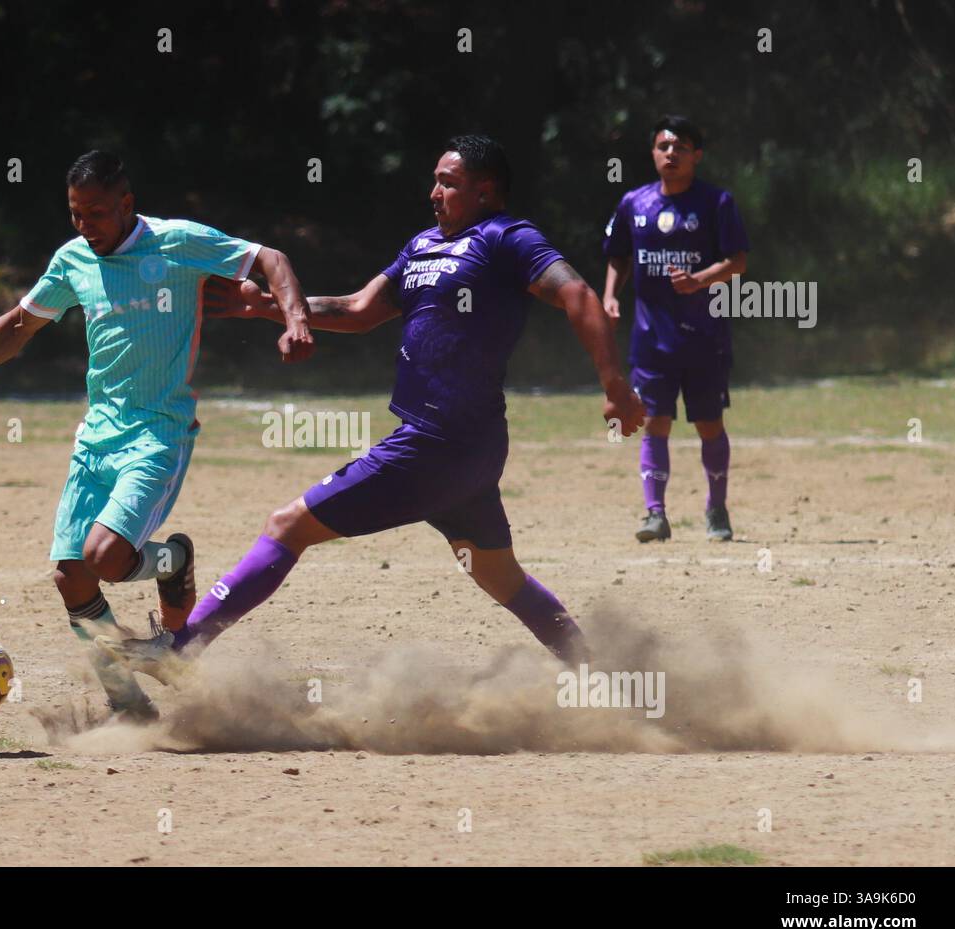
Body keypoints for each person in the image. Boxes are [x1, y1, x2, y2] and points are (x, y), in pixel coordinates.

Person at [114, 134, 646, 688]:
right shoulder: (421, 247)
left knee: (288, 525)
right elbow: (357, 310)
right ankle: (597, 677)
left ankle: (183, 647)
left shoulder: (506, 238)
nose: (434, 192)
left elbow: (579, 295)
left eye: (449, 183)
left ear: (486, 192)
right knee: (498, 573)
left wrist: (614, 383)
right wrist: (267, 308)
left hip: (438, 443)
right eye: (436, 179)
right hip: (462, 447)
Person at [0, 149, 314, 719]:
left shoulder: (175, 242)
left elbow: (269, 257)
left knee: (103, 556)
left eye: (96, 213)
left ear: (126, 204)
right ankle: (129, 704)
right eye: (75, 213)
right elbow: (19, 327)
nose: (85, 226)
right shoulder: (74, 258)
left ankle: (172, 562)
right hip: (95, 438)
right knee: (69, 576)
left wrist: (295, 319)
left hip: (159, 433)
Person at [601, 115, 750, 542]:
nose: (671, 153)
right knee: (654, 422)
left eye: (680, 147)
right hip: (651, 340)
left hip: (705, 338)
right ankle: (655, 514)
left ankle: (717, 510)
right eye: (663, 146)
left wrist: (699, 280)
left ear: (696, 155)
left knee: (708, 424)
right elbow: (618, 254)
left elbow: (738, 262)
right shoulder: (634, 203)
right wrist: (611, 294)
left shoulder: (716, 203)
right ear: (653, 153)